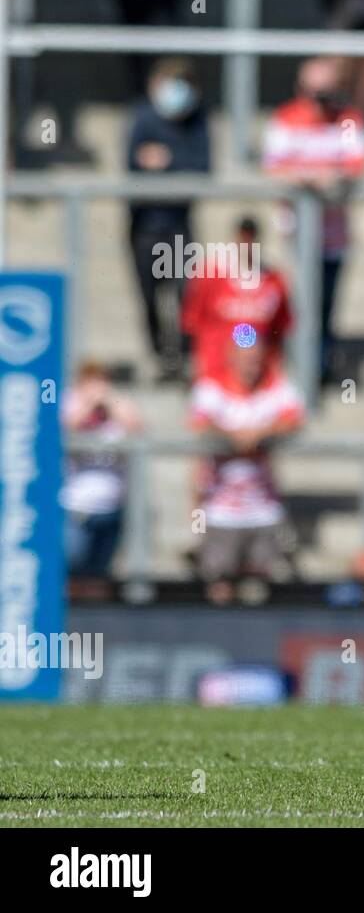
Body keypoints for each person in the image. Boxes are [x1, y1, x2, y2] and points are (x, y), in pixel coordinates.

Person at [262, 57, 364, 385]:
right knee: (293, 307)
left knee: (324, 307)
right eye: (316, 94)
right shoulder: (286, 119)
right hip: (294, 235)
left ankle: (317, 372)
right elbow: (274, 168)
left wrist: (330, 177)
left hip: (334, 236)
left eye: (328, 93)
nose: (322, 102)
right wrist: (311, 178)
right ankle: (291, 371)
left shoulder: (348, 120)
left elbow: (358, 165)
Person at [189, 339, 305, 604]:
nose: (251, 366)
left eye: (255, 359)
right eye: (245, 358)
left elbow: (295, 419)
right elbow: (199, 427)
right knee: (219, 585)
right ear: (231, 357)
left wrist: (259, 433)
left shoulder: (273, 386)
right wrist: (235, 437)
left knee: (262, 587)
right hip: (221, 509)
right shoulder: (212, 388)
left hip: (262, 508)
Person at [126, 57, 211, 382]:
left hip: (178, 225)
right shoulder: (143, 118)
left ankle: (182, 358)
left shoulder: (197, 121)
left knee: (183, 295)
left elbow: (201, 168)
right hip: (145, 225)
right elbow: (133, 163)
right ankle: (161, 357)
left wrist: (169, 160)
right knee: (149, 296)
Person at [60, 362, 143, 599]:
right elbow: (66, 428)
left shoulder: (117, 405)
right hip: (77, 508)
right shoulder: (69, 403)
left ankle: (94, 632)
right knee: (72, 572)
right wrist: (88, 404)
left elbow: (138, 430)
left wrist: (109, 402)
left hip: (111, 507)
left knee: (99, 576)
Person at [181, 216, 293, 382]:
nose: (246, 245)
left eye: (251, 239)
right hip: (217, 375)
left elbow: (282, 327)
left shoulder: (273, 280)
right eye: (243, 239)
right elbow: (192, 322)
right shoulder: (211, 276)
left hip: (258, 378)